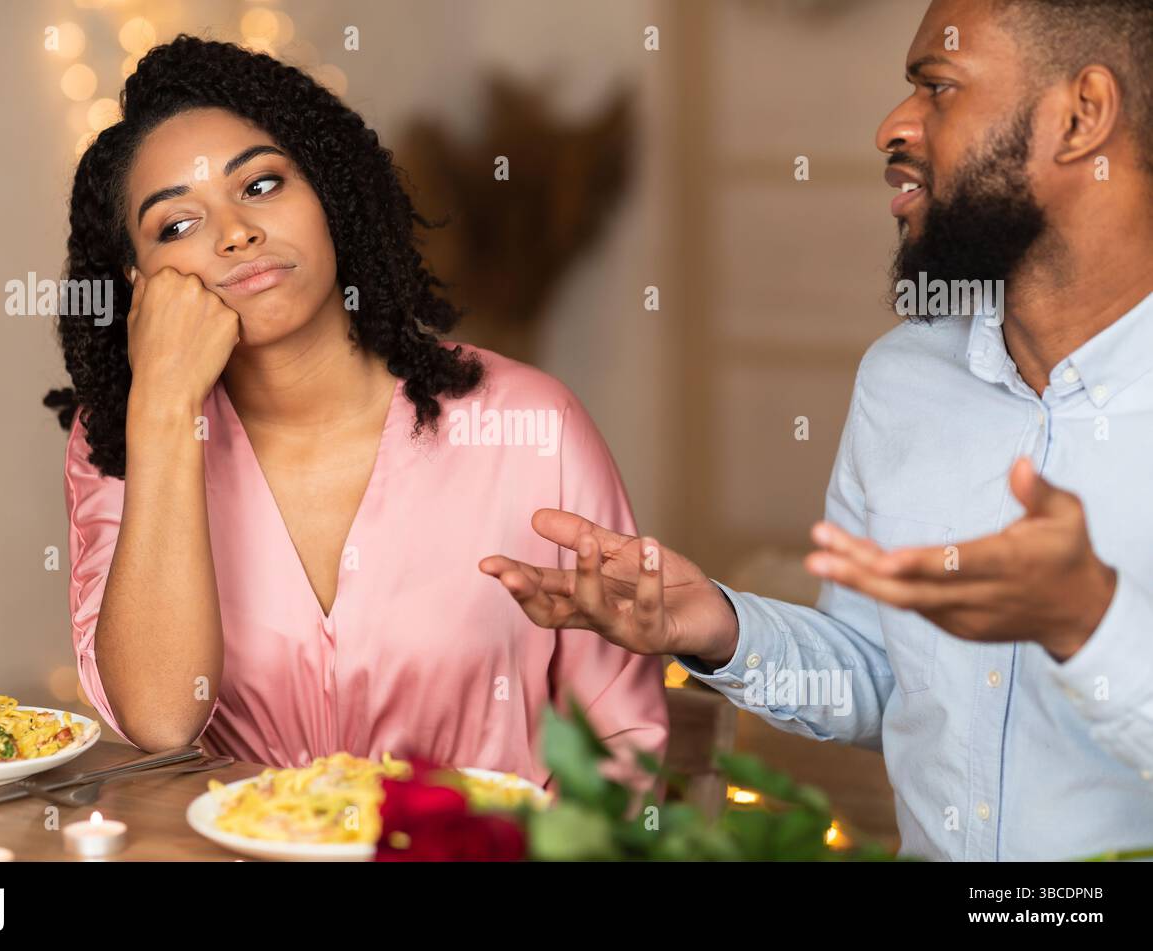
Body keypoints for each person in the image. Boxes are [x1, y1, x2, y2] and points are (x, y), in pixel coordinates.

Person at [482, 0, 1153, 859]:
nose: (892, 127)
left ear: (1082, 116)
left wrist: (1089, 622)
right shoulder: (904, 380)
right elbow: (886, 679)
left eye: (937, 88)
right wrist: (720, 627)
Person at [46, 35, 667, 784]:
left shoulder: (532, 425)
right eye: (177, 225)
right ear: (139, 281)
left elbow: (623, 742)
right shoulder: (122, 439)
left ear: (328, 193)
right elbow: (161, 715)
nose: (235, 233)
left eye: (263, 185)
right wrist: (165, 406)